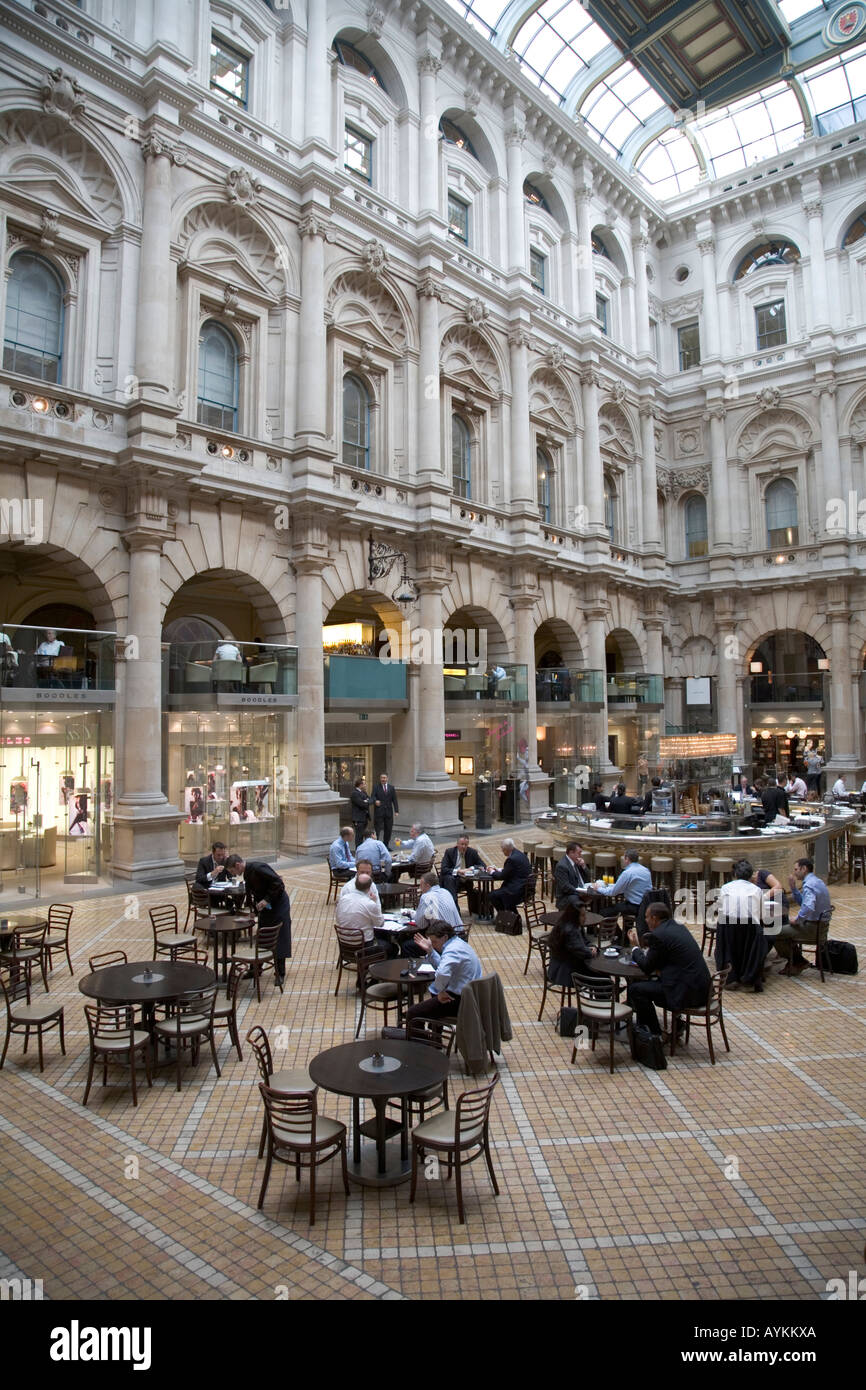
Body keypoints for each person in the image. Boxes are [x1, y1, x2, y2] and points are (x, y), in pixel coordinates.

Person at [627, 902, 711, 1038]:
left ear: (654, 918)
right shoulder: (678, 926)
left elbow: (647, 967)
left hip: (686, 993)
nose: (646, 920)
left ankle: (654, 1033)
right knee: (648, 984)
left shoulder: (658, 935)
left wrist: (635, 947)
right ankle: (674, 1025)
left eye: (647, 917)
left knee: (636, 990)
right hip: (701, 988)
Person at [225, 853, 291, 982]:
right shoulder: (248, 873)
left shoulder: (258, 868)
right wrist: (254, 912)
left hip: (279, 904)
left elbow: (278, 883)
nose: (233, 874)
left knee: (279, 936)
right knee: (262, 935)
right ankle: (255, 970)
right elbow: (253, 894)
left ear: (238, 865)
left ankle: (280, 973)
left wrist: (266, 900)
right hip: (266, 906)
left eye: (233, 871)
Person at [406, 920, 483, 1024]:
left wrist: (440, 991)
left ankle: (422, 1040)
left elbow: (442, 973)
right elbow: (443, 965)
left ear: (445, 937)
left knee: (413, 1013)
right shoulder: (459, 943)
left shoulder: (452, 951)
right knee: (434, 997)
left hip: (460, 1001)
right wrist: (430, 951)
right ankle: (435, 1034)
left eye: (434, 942)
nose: (433, 945)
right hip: (471, 996)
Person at [715, 858, 770, 992]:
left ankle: (731, 978)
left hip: (728, 926)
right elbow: (763, 915)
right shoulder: (757, 890)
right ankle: (749, 980)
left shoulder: (725, 887)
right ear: (751, 875)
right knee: (762, 939)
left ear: (735, 874)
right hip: (749, 926)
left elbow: (720, 909)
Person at [778, 858, 832, 973]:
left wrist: (797, 920)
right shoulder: (817, 881)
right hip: (820, 927)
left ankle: (798, 961)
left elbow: (808, 907)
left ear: (804, 869)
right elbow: (804, 903)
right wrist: (793, 888)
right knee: (783, 929)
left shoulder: (809, 885)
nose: (794, 872)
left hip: (812, 928)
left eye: (796, 869)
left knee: (774, 932)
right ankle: (797, 960)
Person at [335, 871, 391, 950]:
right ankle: (378, 961)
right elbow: (380, 923)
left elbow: (338, 917)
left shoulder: (343, 899)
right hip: (364, 947)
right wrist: (375, 902)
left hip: (344, 945)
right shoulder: (369, 903)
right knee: (392, 947)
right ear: (369, 887)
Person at [547, 902, 595, 987]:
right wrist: (590, 952)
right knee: (598, 974)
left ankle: (608, 993)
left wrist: (591, 946)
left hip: (565, 965)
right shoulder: (570, 930)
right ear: (575, 916)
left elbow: (585, 941)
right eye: (582, 915)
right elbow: (579, 950)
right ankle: (608, 995)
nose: (585, 918)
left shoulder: (572, 925)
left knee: (600, 975)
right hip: (566, 972)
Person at [440, 834, 486, 915]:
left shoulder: (472, 852)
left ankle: (458, 910)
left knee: (452, 882)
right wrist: (458, 871)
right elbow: (444, 869)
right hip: (453, 879)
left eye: (466, 844)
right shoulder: (449, 852)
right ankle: (455, 909)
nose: (464, 847)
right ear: (457, 844)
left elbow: (483, 865)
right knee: (449, 879)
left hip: (466, 880)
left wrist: (471, 868)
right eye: (462, 844)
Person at [488, 839, 532, 915]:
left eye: (503, 850)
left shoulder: (511, 859)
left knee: (493, 895)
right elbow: (511, 870)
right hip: (524, 887)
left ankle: (506, 916)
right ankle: (509, 915)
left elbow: (502, 876)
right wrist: (499, 870)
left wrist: (492, 872)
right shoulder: (520, 854)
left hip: (516, 890)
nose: (502, 851)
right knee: (497, 894)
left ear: (506, 849)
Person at [553, 840, 588, 912]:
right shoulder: (562, 866)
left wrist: (583, 866)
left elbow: (588, 878)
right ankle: (581, 920)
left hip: (581, 891)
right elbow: (565, 887)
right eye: (579, 853)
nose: (580, 855)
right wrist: (580, 892)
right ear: (571, 852)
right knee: (576, 900)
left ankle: (599, 919)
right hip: (567, 896)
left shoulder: (577, 862)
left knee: (599, 898)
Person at [373, 771, 399, 848]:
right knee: (377, 830)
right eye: (381, 778)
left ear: (387, 778)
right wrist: (375, 801)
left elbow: (394, 800)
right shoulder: (376, 787)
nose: (383, 779)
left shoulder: (391, 788)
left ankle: (386, 845)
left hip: (388, 812)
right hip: (379, 812)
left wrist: (396, 810)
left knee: (388, 830)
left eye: (384, 778)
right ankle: (376, 846)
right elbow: (373, 796)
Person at [350, 775, 370, 843]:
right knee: (359, 837)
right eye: (364, 784)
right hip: (358, 819)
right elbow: (362, 804)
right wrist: (365, 801)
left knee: (363, 836)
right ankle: (358, 851)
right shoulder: (354, 793)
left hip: (364, 818)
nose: (365, 785)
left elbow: (370, 800)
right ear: (360, 785)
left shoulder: (363, 792)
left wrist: (366, 801)